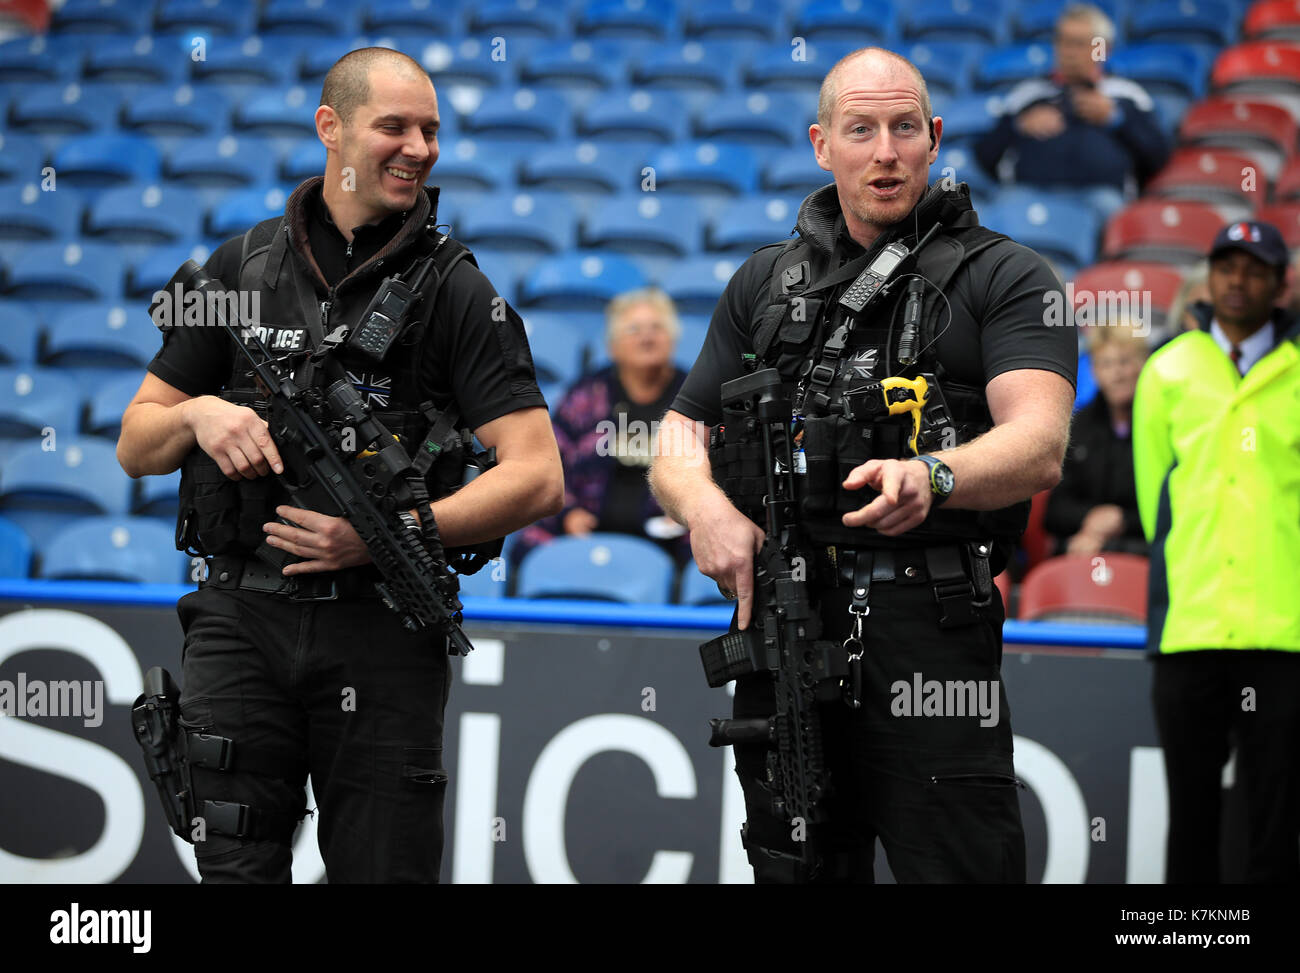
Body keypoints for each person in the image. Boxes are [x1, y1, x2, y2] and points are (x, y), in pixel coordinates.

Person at [116, 48, 563, 883]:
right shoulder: (238, 269)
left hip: (381, 629)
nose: (419, 147)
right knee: (236, 869)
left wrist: (381, 533)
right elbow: (136, 442)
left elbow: (538, 474)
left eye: (431, 130)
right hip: (239, 619)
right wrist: (200, 412)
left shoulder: (460, 290)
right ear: (331, 128)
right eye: (394, 126)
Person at [649, 47, 1076, 883]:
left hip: (932, 633)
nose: (885, 151)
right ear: (821, 144)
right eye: (861, 130)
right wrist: (703, 509)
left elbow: (1042, 442)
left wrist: (935, 475)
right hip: (783, 630)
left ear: (934, 138)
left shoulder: (1009, 275)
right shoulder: (765, 284)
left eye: (905, 128)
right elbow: (675, 437)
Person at [1133, 219, 1300, 884]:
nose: (1238, 280)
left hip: (1281, 631)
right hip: (1190, 629)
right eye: (1227, 266)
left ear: (1279, 283)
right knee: (1192, 814)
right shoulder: (1168, 368)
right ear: (1211, 276)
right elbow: (1155, 500)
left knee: (1276, 818)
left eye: (1255, 268)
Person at [513, 287, 689, 569]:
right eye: (634, 329)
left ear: (673, 338)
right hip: (586, 526)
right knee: (525, 549)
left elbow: (715, 465)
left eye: (657, 327)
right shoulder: (586, 395)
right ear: (612, 345)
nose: (647, 336)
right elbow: (551, 461)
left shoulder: (692, 396)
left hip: (673, 535)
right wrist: (569, 513)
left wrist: (687, 513)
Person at [973, 3, 1169, 222]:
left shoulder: (1127, 96)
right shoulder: (1027, 94)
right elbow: (984, 155)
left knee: (1117, 218)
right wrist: (1018, 126)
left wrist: (1116, 119)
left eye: (1078, 43)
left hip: (1100, 199)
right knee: (999, 212)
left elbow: (1157, 156)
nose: (1068, 51)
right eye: (1062, 41)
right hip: (1028, 195)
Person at [1045, 321, 1148, 557]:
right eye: (1106, 364)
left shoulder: (1162, 423)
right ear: (1094, 371)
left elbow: (1176, 507)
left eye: (1124, 361)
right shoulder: (1078, 426)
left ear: (1143, 364)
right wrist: (1092, 518)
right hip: (1084, 548)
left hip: (1143, 552)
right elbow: (1054, 512)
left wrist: (1122, 520)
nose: (1117, 374)